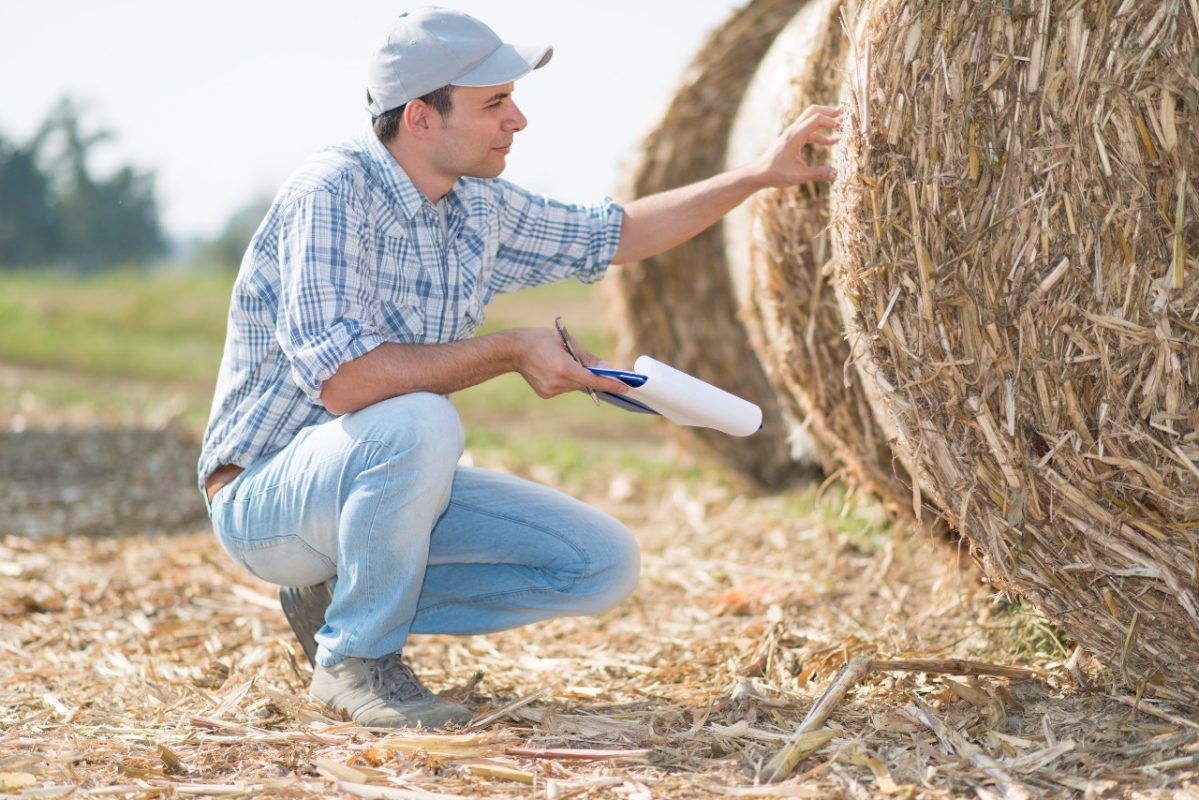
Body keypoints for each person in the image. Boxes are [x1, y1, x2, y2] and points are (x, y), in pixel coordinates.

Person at [198, 6, 841, 729]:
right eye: (495, 103)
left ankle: (336, 601)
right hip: (266, 497)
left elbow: (619, 233)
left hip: (379, 483)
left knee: (599, 563)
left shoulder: (477, 206)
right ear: (420, 118)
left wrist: (757, 175)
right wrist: (508, 350)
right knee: (417, 420)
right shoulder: (332, 195)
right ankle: (355, 660)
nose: (519, 120)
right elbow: (347, 384)